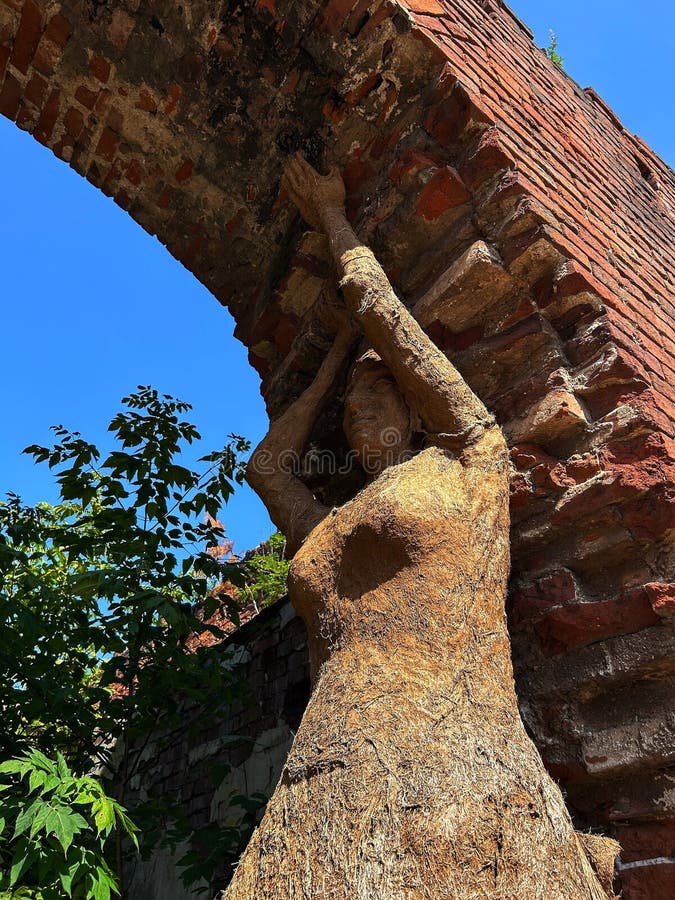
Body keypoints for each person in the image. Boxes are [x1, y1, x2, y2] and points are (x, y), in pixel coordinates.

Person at [227, 154, 615, 899]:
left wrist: (335, 222)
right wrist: (337, 356)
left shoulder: (469, 459)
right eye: (349, 409)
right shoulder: (327, 524)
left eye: (377, 397)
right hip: (322, 772)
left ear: (411, 409)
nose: (358, 412)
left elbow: (393, 324)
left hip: (450, 759)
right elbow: (267, 468)